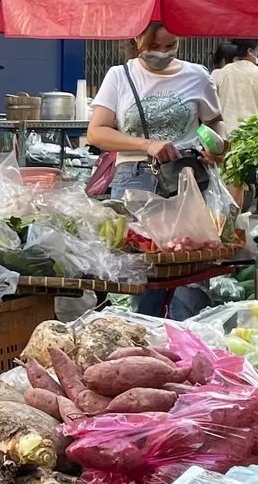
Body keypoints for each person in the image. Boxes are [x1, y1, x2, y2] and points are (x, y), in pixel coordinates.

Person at [87, 22, 222, 315]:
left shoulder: (197, 75)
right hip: (134, 180)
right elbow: (96, 132)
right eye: (154, 47)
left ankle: (189, 346)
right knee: (140, 276)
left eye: (170, 46)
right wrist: (147, 145)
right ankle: (144, 344)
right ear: (137, 39)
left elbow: (214, 122)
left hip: (184, 181)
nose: (162, 53)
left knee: (190, 273)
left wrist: (217, 145)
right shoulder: (120, 76)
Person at [212, 39, 258, 130]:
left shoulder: (222, 71)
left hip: (226, 130)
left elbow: (213, 101)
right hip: (253, 131)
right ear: (250, 51)